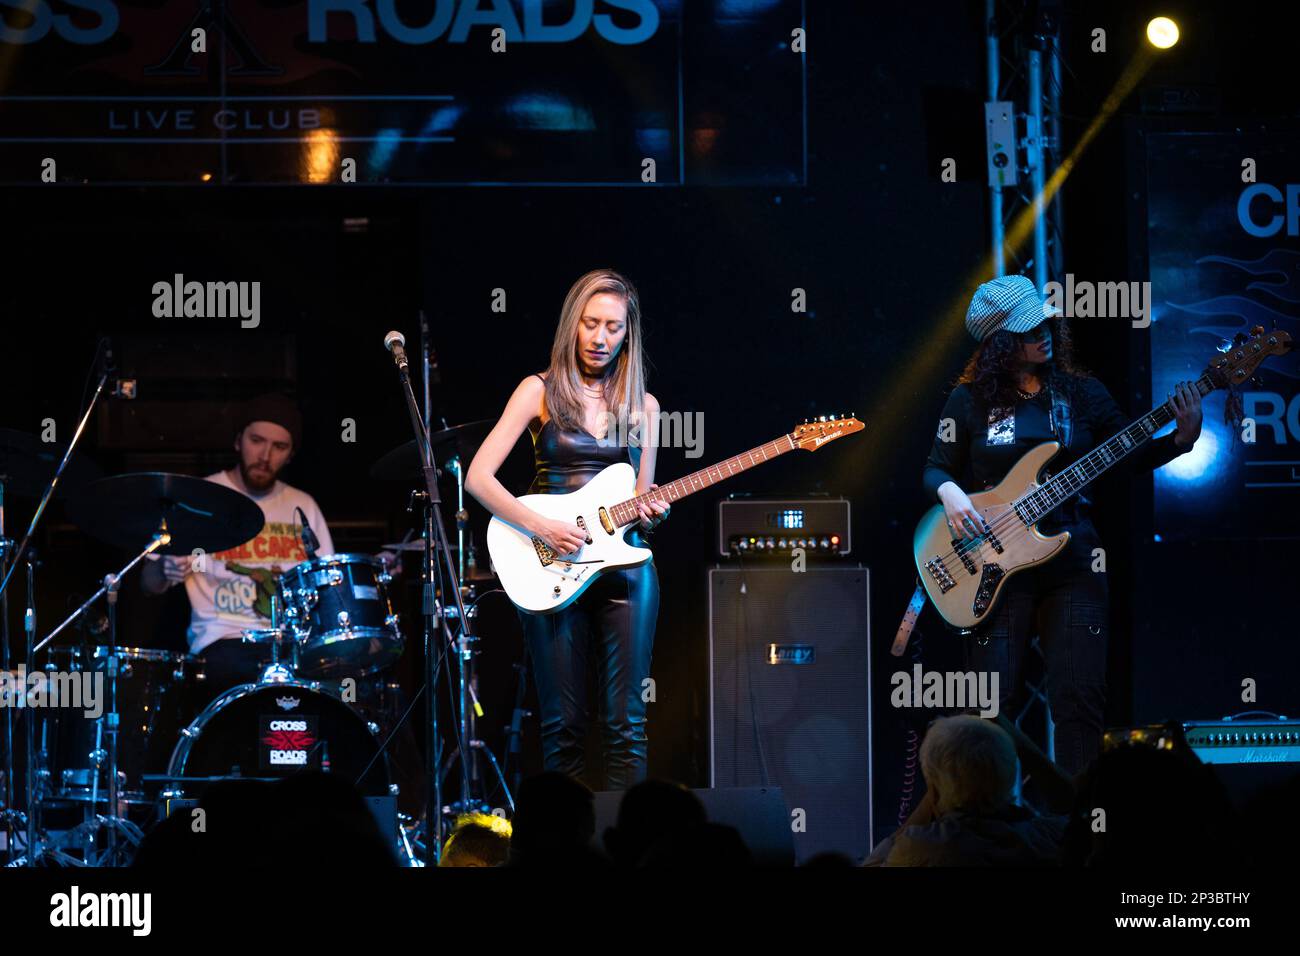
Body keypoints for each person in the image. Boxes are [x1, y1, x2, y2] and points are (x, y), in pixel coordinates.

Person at [922, 276, 1202, 776]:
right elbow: (935, 468)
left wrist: (1178, 443)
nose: (1043, 334)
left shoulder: (1081, 393)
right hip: (991, 566)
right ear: (999, 343)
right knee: (989, 705)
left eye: (1045, 323)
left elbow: (1127, 455)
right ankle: (986, 812)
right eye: (1029, 330)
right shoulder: (968, 401)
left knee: (1079, 698)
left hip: (1073, 561)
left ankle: (1081, 814)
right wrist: (951, 494)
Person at [465, 269, 670, 791]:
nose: (600, 337)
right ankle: (566, 835)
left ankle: (629, 834)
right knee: (564, 726)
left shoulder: (644, 406)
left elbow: (641, 497)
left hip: (625, 569)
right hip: (553, 563)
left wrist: (653, 512)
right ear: (572, 325)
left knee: (627, 724)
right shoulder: (538, 390)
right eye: (590, 323)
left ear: (628, 333)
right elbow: (478, 478)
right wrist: (542, 527)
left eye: (613, 327)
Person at [141, 393, 334, 694]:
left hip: (290, 644)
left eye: (279, 447)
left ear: (290, 455)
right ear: (237, 441)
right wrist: (165, 569)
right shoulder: (200, 497)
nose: (265, 455)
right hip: (222, 642)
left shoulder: (303, 505)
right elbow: (148, 584)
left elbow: (329, 585)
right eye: (256, 441)